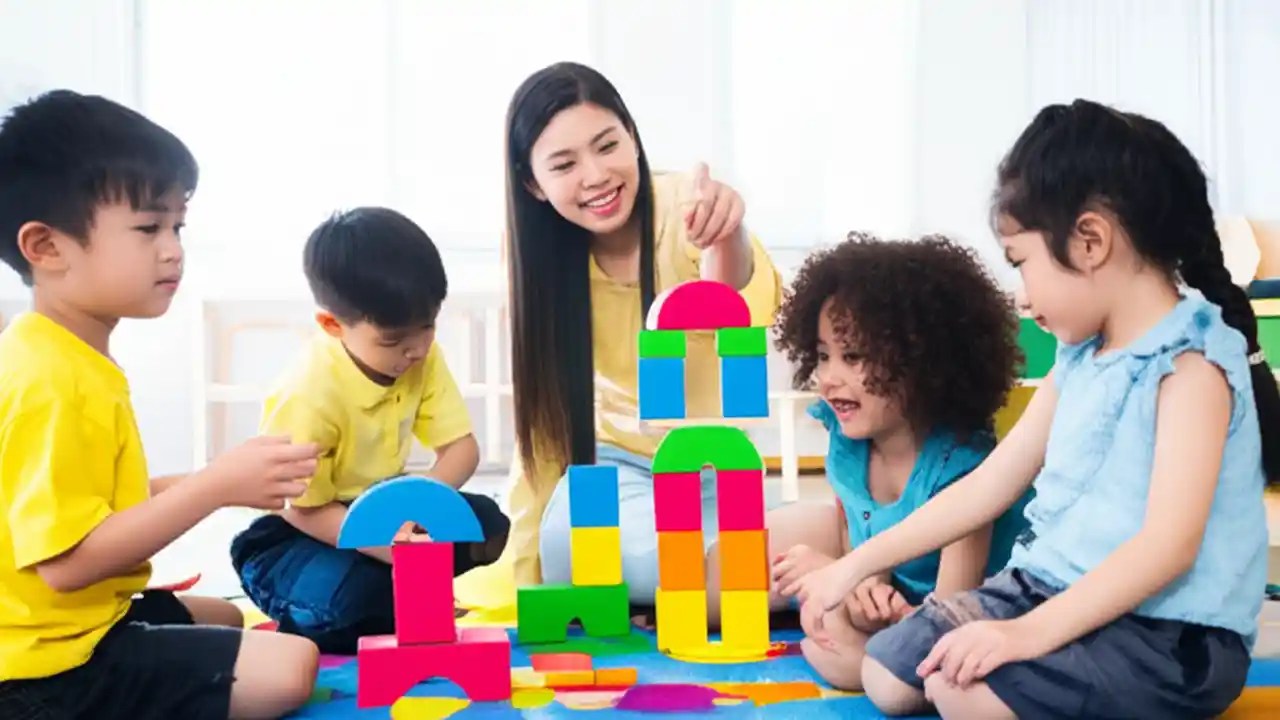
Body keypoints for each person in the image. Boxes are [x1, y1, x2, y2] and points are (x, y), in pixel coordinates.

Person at [795, 99, 1280, 719]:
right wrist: (854, 566)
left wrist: (1024, 635)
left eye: (1022, 263)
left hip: (1169, 633)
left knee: (958, 689)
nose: (1022, 296)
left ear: (1090, 241)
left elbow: (1167, 548)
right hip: (1049, 589)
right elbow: (988, 487)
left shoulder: (1191, 365)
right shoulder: (1078, 359)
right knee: (891, 677)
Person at [0, 90, 320, 720]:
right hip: (46, 665)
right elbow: (67, 562)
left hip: (73, 622)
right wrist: (215, 489)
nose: (173, 248)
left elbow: (82, 496)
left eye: (178, 226)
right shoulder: (50, 378)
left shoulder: (60, 352)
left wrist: (217, 478)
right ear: (46, 247)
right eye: (149, 228)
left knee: (225, 615)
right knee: (291, 666)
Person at [501, 61, 783, 601]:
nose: (596, 176)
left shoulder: (684, 208)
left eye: (607, 146)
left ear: (632, 137)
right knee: (565, 552)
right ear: (533, 185)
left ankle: (719, 576)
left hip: (707, 468)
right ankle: (725, 578)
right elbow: (540, 427)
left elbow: (736, 304)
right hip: (613, 468)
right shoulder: (540, 258)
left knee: (715, 554)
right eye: (564, 164)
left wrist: (727, 233)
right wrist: (525, 573)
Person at [753, 232, 1031, 689]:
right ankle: (871, 657)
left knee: (839, 635)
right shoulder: (850, 444)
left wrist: (838, 577)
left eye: (854, 356)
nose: (828, 379)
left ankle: (878, 666)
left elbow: (953, 612)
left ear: (922, 363)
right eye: (823, 356)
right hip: (897, 603)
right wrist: (863, 588)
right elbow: (859, 537)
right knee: (809, 600)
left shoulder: (960, 469)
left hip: (972, 615)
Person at [229, 207, 510, 655]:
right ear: (332, 325)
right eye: (394, 340)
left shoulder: (420, 355)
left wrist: (418, 510)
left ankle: (391, 592)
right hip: (301, 531)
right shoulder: (308, 392)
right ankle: (351, 602)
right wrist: (391, 547)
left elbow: (461, 449)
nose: (416, 349)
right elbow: (302, 509)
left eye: (428, 327)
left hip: (385, 507)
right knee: (348, 603)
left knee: (488, 525)